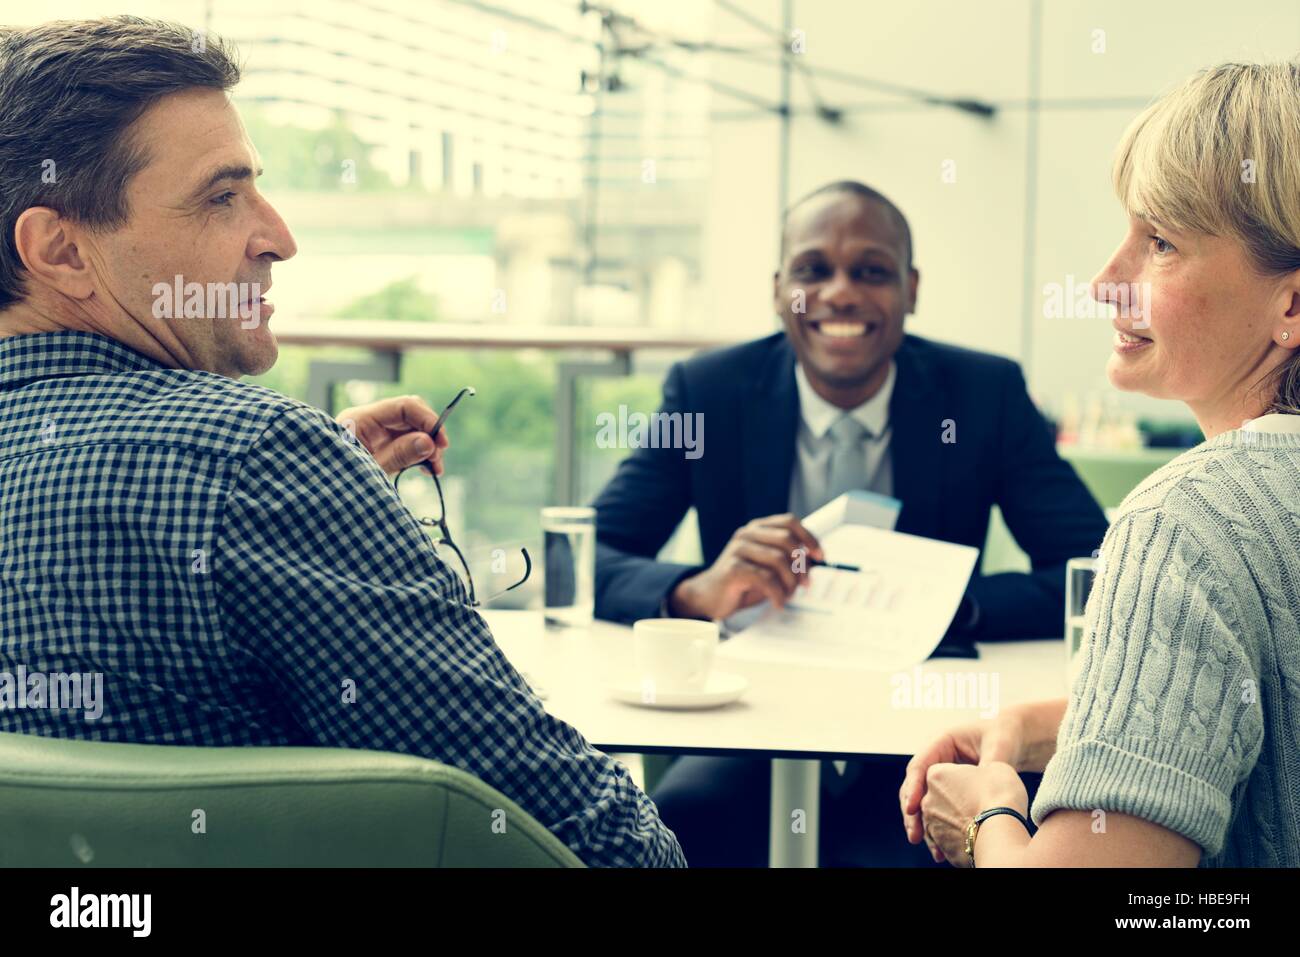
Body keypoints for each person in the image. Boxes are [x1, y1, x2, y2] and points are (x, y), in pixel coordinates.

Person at [0, 15, 683, 868]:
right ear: (60, 250)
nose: (279, 237)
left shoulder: (261, 474)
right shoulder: (259, 466)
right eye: (223, 195)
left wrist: (324, 504)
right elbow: (606, 844)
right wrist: (292, 486)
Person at [590, 178, 1110, 865]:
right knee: (677, 828)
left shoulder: (984, 395)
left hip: (926, 731)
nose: (839, 293)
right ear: (779, 290)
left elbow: (1095, 568)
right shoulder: (708, 391)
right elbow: (583, 553)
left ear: (911, 288)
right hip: (756, 727)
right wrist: (695, 590)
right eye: (813, 271)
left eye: (871, 271)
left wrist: (946, 606)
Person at [903, 61, 1300, 868]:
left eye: (1160, 243)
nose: (1104, 283)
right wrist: (1072, 721)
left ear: (1290, 305)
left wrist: (983, 823)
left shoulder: (1184, 521)